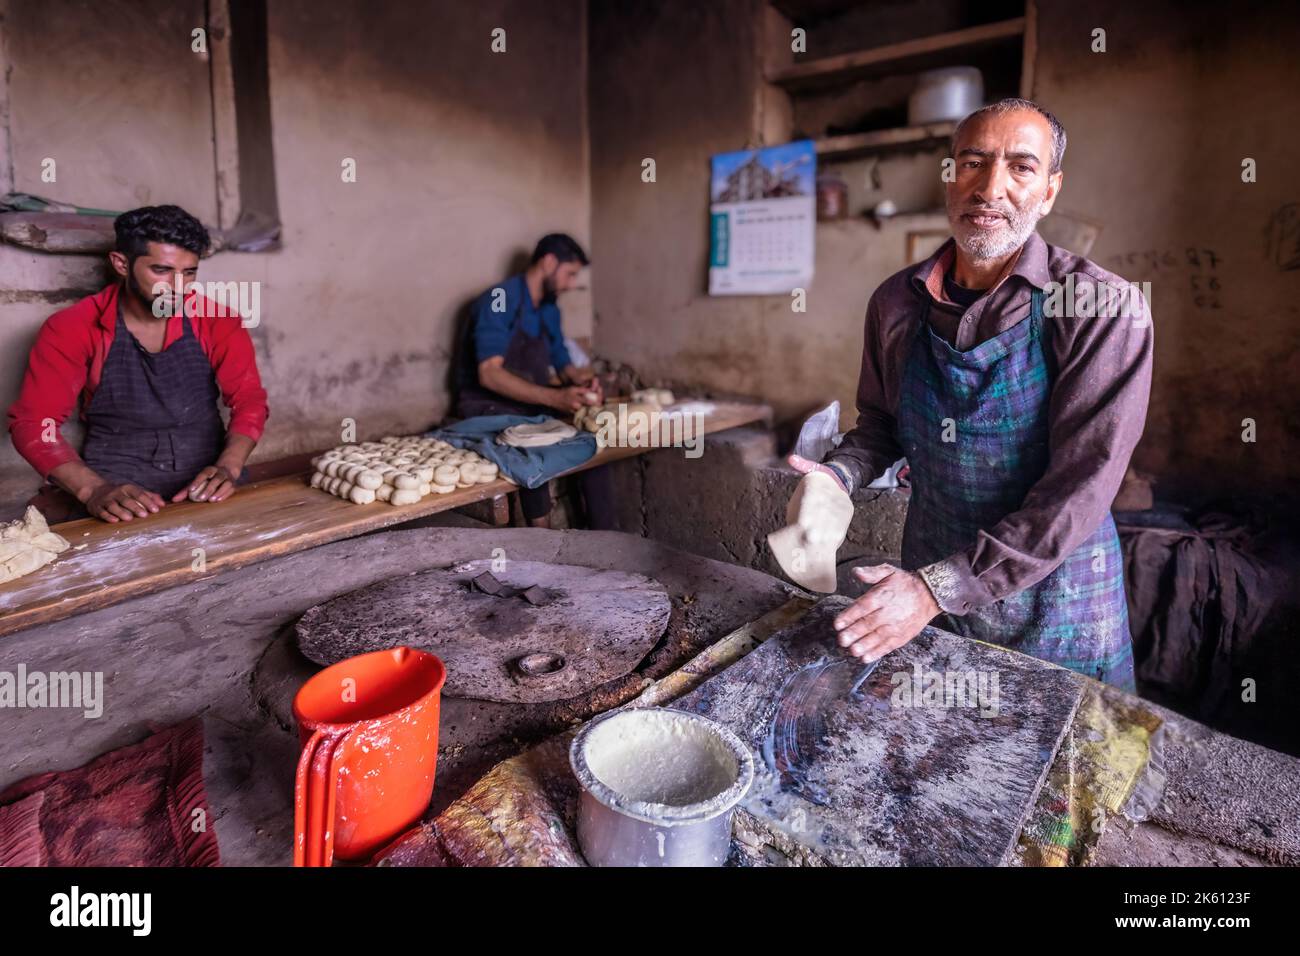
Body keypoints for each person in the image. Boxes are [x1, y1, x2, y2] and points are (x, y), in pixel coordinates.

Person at [792, 98, 1153, 691]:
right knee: (939, 759)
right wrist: (837, 476)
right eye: (972, 163)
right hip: (926, 582)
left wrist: (940, 588)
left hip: (1056, 600)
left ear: (1050, 190)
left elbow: (1082, 483)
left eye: (1021, 167)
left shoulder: (1100, 306)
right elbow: (880, 425)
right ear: (949, 177)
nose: (990, 188)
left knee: (1066, 773)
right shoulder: (895, 302)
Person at [7, 205, 269, 523]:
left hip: (207, 478)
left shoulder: (218, 320)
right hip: (115, 484)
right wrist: (92, 490)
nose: (178, 287)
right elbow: (36, 424)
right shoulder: (72, 327)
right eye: (161, 270)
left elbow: (249, 401)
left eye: (188, 273)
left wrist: (229, 466)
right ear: (121, 264)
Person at [456, 233, 613, 529]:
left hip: (531, 404)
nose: (570, 284)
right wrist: (555, 398)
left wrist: (586, 382)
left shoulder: (549, 308)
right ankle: (543, 544)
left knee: (593, 444)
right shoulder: (500, 300)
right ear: (549, 262)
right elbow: (488, 373)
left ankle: (605, 537)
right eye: (570, 274)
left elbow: (564, 365)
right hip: (486, 405)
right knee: (532, 451)